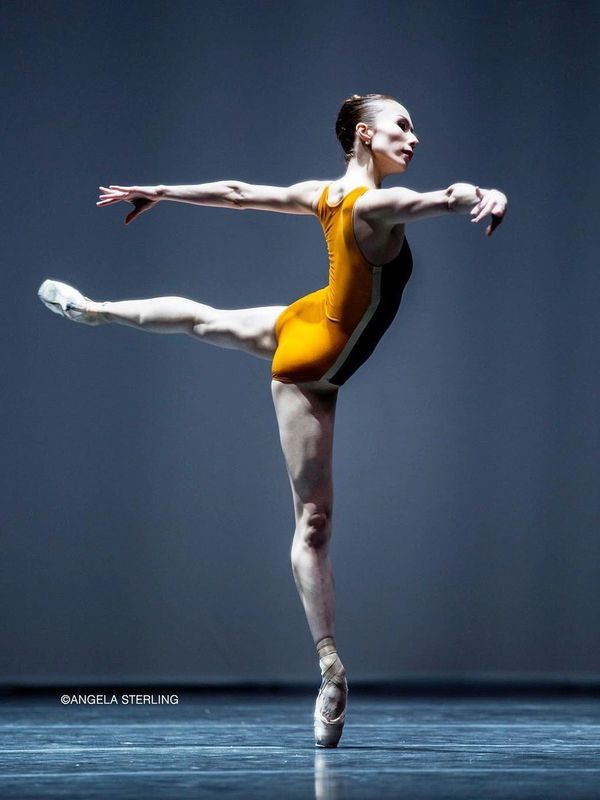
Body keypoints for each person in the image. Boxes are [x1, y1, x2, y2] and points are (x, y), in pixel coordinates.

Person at [38, 93, 507, 748]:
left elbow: (237, 193)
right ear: (365, 134)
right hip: (310, 366)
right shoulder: (373, 206)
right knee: (314, 524)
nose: (414, 137)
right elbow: (444, 198)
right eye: (402, 125)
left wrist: (161, 191)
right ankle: (331, 668)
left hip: (312, 317)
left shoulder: (326, 195)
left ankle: (97, 311)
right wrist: (483, 194)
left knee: (207, 320)